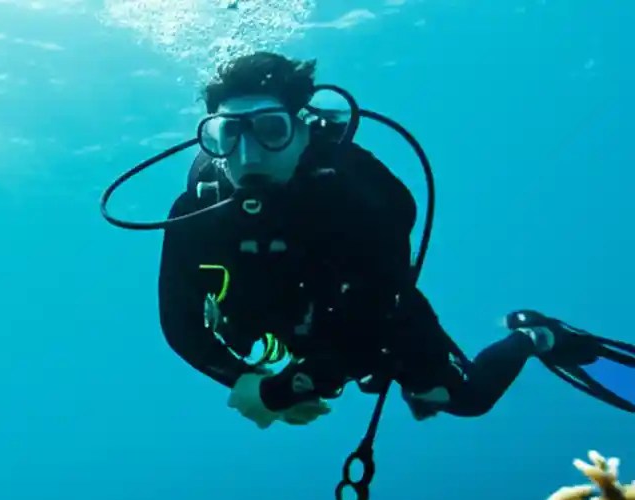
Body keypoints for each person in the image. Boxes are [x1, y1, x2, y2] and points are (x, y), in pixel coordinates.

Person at [155, 51, 635, 430]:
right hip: (290, 327)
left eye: (270, 130)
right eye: (227, 134)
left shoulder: (361, 194)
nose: (249, 153)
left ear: (303, 128)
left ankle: (537, 336)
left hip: (369, 313)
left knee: (465, 400)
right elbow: (179, 324)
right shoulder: (197, 213)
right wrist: (242, 379)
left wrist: (286, 389)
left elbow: (376, 312)